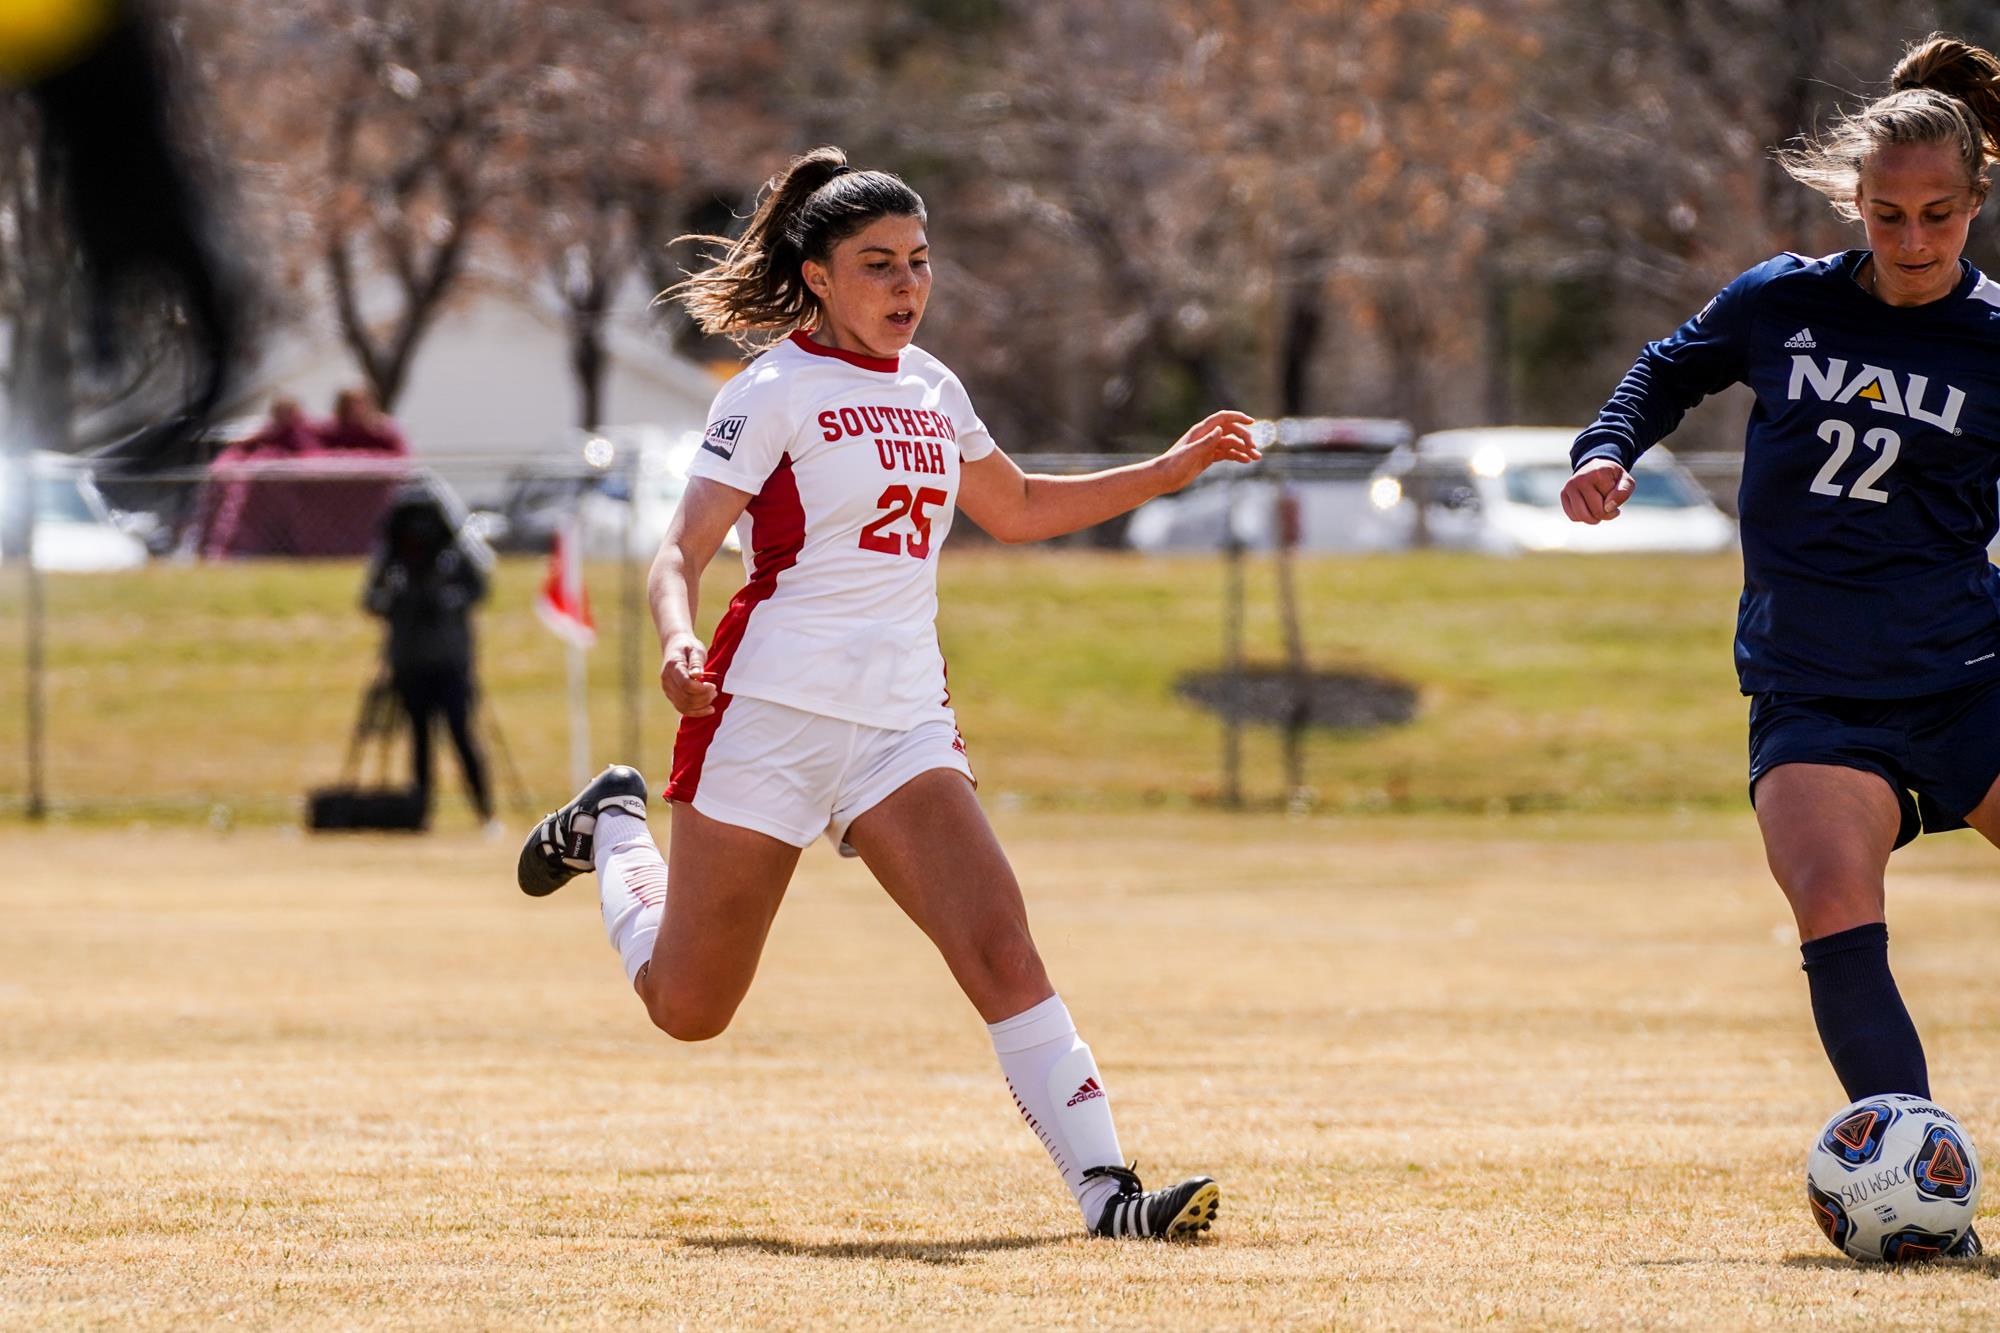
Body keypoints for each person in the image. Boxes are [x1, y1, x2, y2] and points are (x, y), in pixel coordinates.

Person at [516, 146, 1259, 1240]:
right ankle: (613, 823)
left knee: (1002, 950)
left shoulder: (931, 385)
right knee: (688, 1009)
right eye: (877, 265)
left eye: (918, 262)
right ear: (816, 276)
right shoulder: (769, 389)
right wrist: (676, 644)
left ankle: (1109, 1195)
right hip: (765, 716)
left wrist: (1160, 472)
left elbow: (1010, 509)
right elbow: (679, 552)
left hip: (900, 723)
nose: (906, 286)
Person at [1563, 34, 2000, 1255]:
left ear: (1973, 204)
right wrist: (1605, 452)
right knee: (1827, 899)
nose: (1910, 243)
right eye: (1885, 215)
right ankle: (1917, 1198)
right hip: (1811, 688)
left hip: (1968, 678)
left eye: (1936, 218)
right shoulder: (1782, 300)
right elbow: (1665, 368)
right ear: (1851, 202)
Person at [365, 489, 494, 828]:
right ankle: (419, 813)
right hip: (409, 664)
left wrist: (447, 600)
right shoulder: (394, 560)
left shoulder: (453, 555)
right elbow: (370, 599)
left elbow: (480, 587)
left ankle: (485, 812)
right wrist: (399, 603)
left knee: (461, 735)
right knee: (419, 741)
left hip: (451, 664)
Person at [321, 387, 408, 455]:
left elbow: (401, 455)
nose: (357, 409)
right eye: (351, 405)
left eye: (361, 404)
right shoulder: (330, 432)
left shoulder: (384, 431)